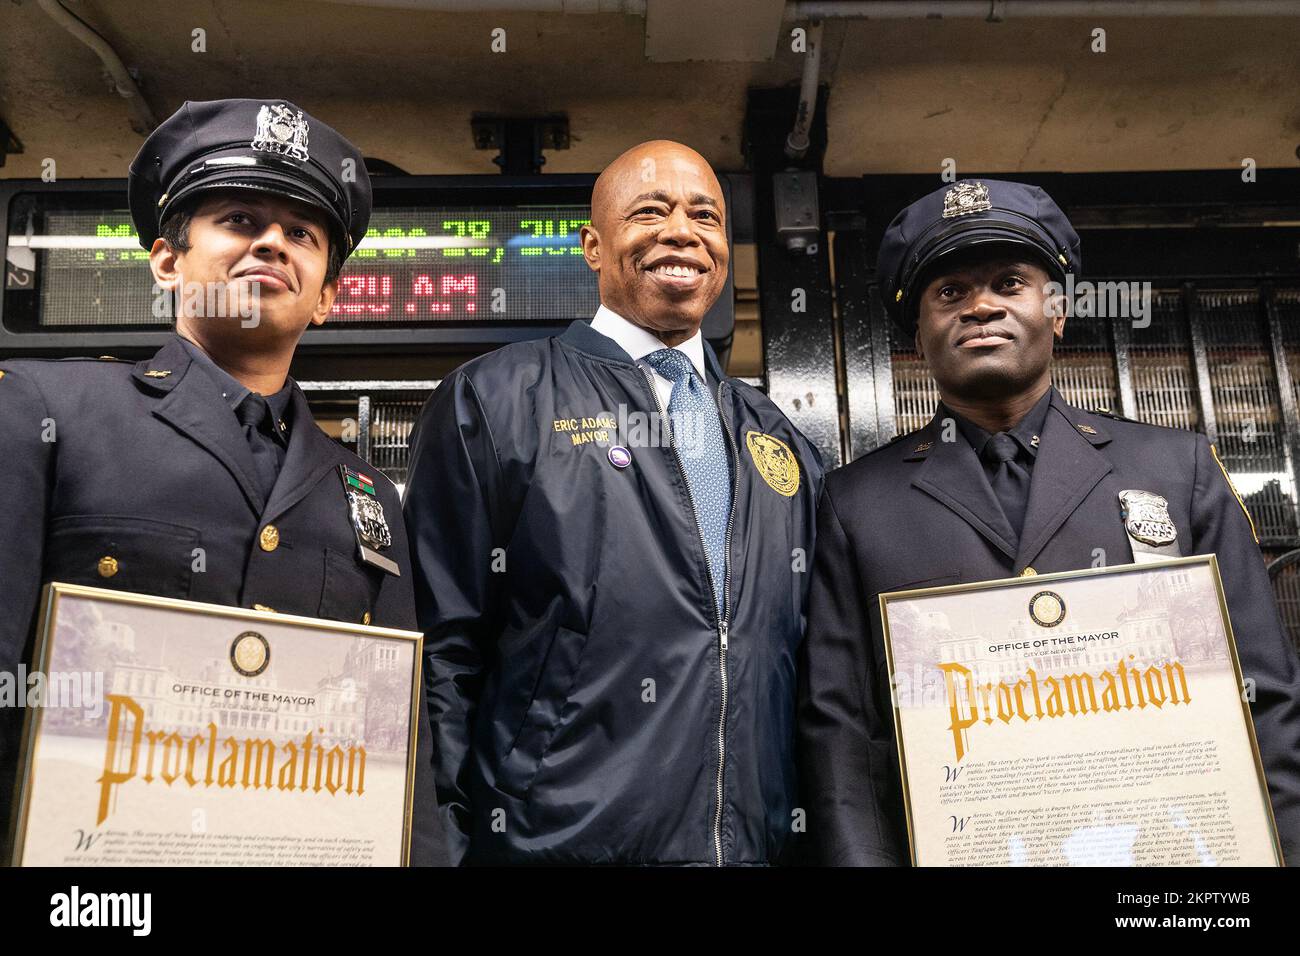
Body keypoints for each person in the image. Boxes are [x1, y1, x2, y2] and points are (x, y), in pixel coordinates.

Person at [796, 178, 1300, 865]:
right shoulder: (857, 503)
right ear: (917, 334)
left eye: (1010, 282)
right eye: (948, 293)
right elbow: (842, 737)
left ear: (1057, 312)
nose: (980, 306)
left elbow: (1261, 700)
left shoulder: (1174, 471)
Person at [0, 98, 447, 866]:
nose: (271, 243)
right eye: (239, 220)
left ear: (328, 297)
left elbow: (398, 739)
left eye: (302, 234)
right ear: (168, 261)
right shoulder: (44, 411)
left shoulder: (367, 494)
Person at [404, 140, 824, 865]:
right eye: (650, 212)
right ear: (593, 247)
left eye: (705, 216)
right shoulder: (496, 400)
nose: (682, 232)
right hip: (556, 848)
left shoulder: (778, 440)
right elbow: (442, 652)